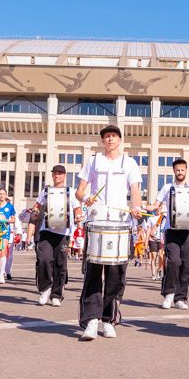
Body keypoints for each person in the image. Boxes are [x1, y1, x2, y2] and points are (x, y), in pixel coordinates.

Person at [75, 124, 143, 342]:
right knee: (94, 271)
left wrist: (137, 208)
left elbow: (135, 192)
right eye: (106, 137)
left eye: (114, 136)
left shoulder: (130, 163)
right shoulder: (94, 161)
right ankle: (91, 320)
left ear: (120, 140)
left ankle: (108, 319)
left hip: (120, 222)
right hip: (97, 220)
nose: (110, 139)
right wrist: (87, 199)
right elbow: (79, 191)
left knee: (116, 274)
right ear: (102, 141)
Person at [151, 157, 189, 310]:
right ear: (174, 171)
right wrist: (148, 207)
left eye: (182, 169)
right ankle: (169, 294)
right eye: (177, 170)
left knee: (187, 265)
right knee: (174, 261)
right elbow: (156, 205)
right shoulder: (167, 188)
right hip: (171, 230)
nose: (180, 172)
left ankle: (181, 298)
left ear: (186, 171)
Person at [32, 165, 77, 307]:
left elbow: (77, 208)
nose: (57, 176)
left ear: (64, 175)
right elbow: (37, 205)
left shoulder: (71, 191)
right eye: (55, 174)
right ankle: (45, 289)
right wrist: (34, 211)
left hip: (63, 233)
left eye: (59, 174)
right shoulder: (46, 191)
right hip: (47, 231)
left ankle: (56, 295)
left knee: (60, 264)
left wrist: (79, 217)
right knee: (43, 259)